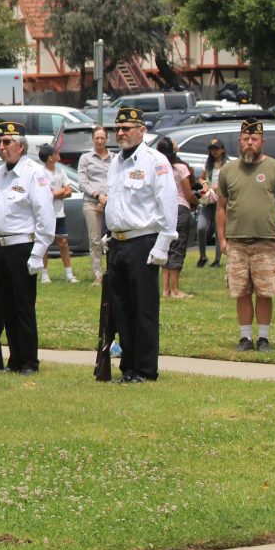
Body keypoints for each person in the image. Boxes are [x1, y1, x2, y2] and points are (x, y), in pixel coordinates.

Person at [104, 107, 178, 382]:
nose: (121, 133)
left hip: (143, 242)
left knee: (143, 309)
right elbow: (116, 201)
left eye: (127, 128)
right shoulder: (115, 162)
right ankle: (129, 367)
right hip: (119, 242)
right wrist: (109, 232)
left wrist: (162, 244)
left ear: (142, 130)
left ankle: (146, 370)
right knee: (122, 309)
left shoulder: (154, 161)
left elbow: (168, 205)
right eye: (118, 128)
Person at [0, 121, 55, 374]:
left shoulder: (33, 174)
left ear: (21, 146)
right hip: (0, 248)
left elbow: (45, 218)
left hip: (22, 247)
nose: (2, 148)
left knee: (23, 307)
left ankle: (28, 361)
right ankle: (14, 360)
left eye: (7, 142)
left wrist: (38, 253)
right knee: (4, 307)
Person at [215, 118, 275, 352]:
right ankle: (245, 338)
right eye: (246, 139)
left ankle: (263, 338)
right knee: (241, 291)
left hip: (266, 242)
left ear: (262, 141)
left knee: (265, 292)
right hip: (236, 243)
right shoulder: (228, 171)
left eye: (254, 139)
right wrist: (222, 238)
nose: (250, 143)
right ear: (239, 141)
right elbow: (221, 207)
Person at [154, 137, 199, 299]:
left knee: (166, 247)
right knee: (178, 249)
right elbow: (188, 194)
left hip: (163, 210)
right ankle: (175, 290)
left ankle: (165, 290)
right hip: (180, 209)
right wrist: (196, 202)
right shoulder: (181, 168)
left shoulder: (158, 167)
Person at [37, 144, 77, 284]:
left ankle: (69, 274)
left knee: (63, 242)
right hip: (46, 214)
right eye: (56, 153)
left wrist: (56, 193)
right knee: (45, 244)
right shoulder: (40, 173)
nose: (58, 154)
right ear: (50, 157)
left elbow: (69, 190)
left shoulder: (60, 171)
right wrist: (59, 192)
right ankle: (44, 274)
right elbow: (44, 194)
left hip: (59, 213)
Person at [77, 125, 113, 285]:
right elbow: (83, 183)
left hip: (110, 202)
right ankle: (98, 275)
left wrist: (107, 199)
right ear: (93, 139)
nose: (99, 141)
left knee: (114, 239)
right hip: (92, 202)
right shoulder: (85, 158)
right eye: (97, 138)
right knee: (95, 240)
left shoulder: (115, 157)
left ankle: (113, 272)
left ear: (107, 139)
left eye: (102, 138)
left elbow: (117, 180)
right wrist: (98, 197)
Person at [196, 138, 225, 268]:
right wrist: (204, 183)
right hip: (207, 199)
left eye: (216, 149)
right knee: (201, 227)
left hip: (220, 201)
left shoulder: (227, 165)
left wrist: (214, 189)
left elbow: (228, 183)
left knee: (219, 230)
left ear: (222, 150)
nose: (214, 152)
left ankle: (217, 260)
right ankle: (203, 256)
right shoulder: (208, 164)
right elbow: (201, 177)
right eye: (212, 149)